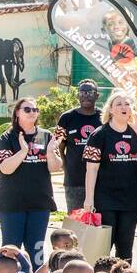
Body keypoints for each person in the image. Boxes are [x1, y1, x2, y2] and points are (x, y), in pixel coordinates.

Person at [82, 90, 137, 263]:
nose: (124, 107)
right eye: (119, 104)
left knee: (125, 247)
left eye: (127, 104)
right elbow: (91, 169)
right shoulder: (99, 134)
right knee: (103, 247)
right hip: (105, 199)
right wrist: (89, 199)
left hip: (131, 200)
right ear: (111, 110)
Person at [0, 96, 61, 269]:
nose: (33, 112)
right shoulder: (7, 138)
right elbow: (5, 168)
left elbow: (55, 168)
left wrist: (52, 151)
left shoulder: (45, 136)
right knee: (10, 248)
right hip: (11, 203)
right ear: (17, 113)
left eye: (35, 110)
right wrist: (23, 151)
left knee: (36, 249)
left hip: (39, 202)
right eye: (27, 109)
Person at [54, 79, 101, 214]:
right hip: (74, 181)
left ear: (97, 95)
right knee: (76, 222)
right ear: (78, 95)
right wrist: (66, 167)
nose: (86, 95)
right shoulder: (66, 118)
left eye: (90, 92)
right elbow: (57, 147)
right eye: (82, 92)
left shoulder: (104, 117)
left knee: (98, 223)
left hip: (101, 181)